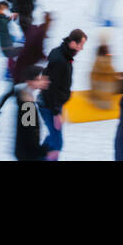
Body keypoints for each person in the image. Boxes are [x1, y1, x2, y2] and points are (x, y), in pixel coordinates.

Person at [38, 29, 86, 160]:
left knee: (54, 136)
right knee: (57, 143)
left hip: (53, 103)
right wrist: (55, 113)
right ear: (73, 43)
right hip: (49, 105)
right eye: (81, 45)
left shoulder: (62, 54)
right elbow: (51, 88)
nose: (82, 48)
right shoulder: (60, 60)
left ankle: (38, 155)